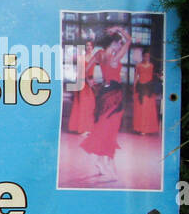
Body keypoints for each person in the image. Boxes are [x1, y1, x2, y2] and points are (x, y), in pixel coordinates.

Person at [80, 25, 131, 181]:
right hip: (114, 96)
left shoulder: (99, 55)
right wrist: (118, 28)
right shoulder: (114, 59)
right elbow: (129, 40)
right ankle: (108, 162)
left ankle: (101, 160)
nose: (120, 46)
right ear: (114, 44)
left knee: (104, 126)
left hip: (104, 94)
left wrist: (92, 82)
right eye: (118, 44)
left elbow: (87, 69)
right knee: (111, 129)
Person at [67, 42, 96, 134]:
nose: (89, 47)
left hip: (90, 83)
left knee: (90, 105)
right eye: (87, 45)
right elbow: (79, 71)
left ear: (93, 47)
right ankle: (80, 128)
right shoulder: (81, 58)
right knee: (82, 104)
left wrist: (92, 81)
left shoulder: (94, 58)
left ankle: (87, 127)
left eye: (90, 45)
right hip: (82, 82)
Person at [133, 51, 160, 135]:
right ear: (142, 56)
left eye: (148, 56)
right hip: (141, 87)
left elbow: (154, 77)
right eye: (145, 56)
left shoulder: (152, 66)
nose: (146, 58)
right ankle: (140, 128)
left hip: (149, 88)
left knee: (148, 108)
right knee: (141, 108)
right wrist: (134, 88)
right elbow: (136, 77)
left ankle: (148, 129)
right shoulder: (138, 65)